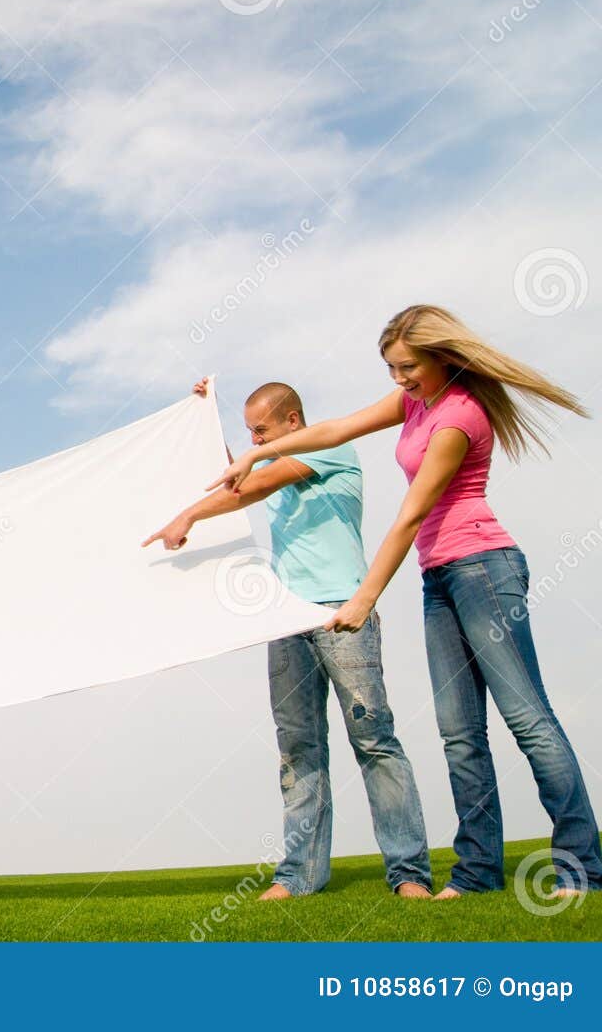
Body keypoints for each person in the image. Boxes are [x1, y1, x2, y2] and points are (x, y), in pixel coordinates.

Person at [212, 306, 601, 899]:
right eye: (392, 370)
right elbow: (336, 428)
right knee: (459, 733)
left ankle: (581, 866)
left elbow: (412, 513)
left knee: (527, 720)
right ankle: (476, 875)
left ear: (441, 357)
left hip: (483, 569)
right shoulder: (416, 403)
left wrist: (365, 597)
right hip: (439, 577)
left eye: (406, 368)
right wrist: (251, 453)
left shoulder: (459, 414)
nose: (399, 381)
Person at [146, 379, 432, 899]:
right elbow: (241, 475)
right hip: (285, 622)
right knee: (299, 750)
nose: (255, 441)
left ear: (292, 422)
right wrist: (203, 415)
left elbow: (251, 484)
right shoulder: (270, 462)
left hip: (343, 612)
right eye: (250, 433)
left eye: (262, 431)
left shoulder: (330, 448)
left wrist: (188, 514)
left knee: (373, 740)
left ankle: (408, 873)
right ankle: (300, 876)